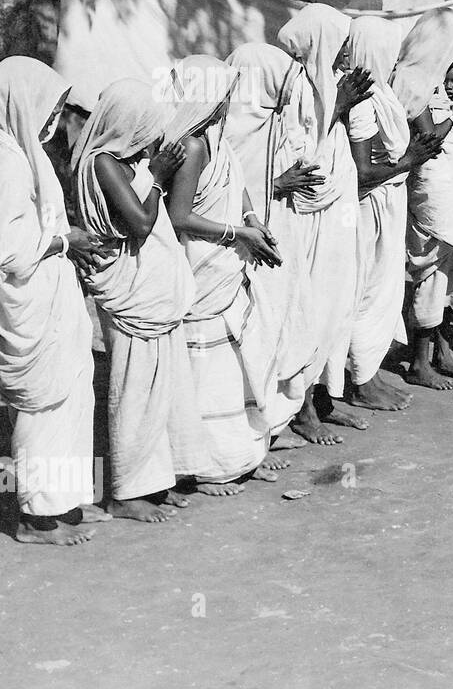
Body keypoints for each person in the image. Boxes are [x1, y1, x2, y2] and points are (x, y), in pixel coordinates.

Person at [73, 79, 201, 522]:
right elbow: (140, 225)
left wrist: (152, 172)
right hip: (130, 294)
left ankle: (154, 481)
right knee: (133, 389)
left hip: (151, 293)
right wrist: (159, 178)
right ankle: (124, 492)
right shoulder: (103, 163)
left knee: (157, 389)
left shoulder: (128, 161)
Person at [0, 57, 114, 544]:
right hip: (28, 302)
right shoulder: (5, 159)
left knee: (71, 394)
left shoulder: (28, 153)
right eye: (49, 107)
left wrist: (67, 242)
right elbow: (8, 250)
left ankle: (64, 503)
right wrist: (67, 241)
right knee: (43, 405)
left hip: (53, 296)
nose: (54, 117)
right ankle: (34, 518)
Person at [163, 54, 283, 494]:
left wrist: (251, 216)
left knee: (234, 365)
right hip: (204, 263)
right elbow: (179, 216)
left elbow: (239, 181)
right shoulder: (192, 144)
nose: (230, 99)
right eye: (225, 90)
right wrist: (238, 233)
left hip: (227, 256)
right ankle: (207, 467)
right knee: (207, 371)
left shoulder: (215, 136)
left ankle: (242, 453)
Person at [276, 4, 374, 443]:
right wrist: (339, 107)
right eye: (340, 47)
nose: (346, 57)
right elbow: (302, 162)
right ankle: (301, 408)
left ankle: (326, 398)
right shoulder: (295, 87)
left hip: (340, 215)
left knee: (339, 306)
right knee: (313, 308)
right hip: (312, 221)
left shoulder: (328, 85)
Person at [340, 17, 441, 411]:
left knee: (382, 289)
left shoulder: (378, 92)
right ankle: (360, 382)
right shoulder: (364, 100)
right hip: (370, 209)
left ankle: (368, 372)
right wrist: (408, 162)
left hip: (387, 202)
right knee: (366, 290)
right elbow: (363, 174)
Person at [224, 42, 317, 451]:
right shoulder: (231, 123)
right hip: (241, 242)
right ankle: (253, 427)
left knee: (283, 324)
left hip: (277, 232)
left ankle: (278, 418)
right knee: (254, 331)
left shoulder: (271, 120)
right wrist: (276, 185)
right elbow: (224, 186)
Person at [397, 10, 453, 388]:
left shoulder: (439, 93)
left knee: (449, 278)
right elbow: (430, 141)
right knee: (428, 277)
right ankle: (419, 363)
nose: (452, 85)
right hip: (430, 201)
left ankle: (442, 351)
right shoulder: (411, 85)